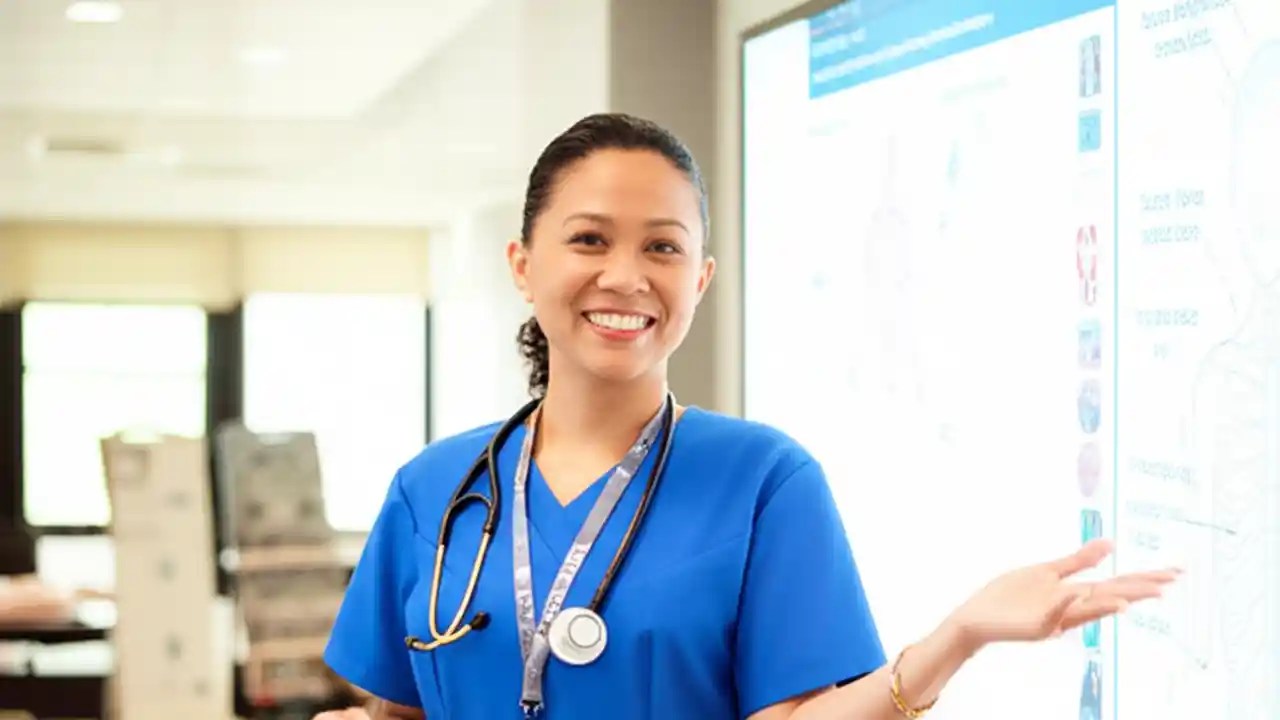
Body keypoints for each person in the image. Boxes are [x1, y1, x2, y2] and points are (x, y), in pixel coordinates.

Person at [319, 113, 1177, 720]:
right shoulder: (432, 490)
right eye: (589, 240)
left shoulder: (765, 481)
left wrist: (957, 637)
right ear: (522, 262)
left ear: (700, 277)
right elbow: (397, 710)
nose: (625, 275)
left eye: (662, 245)